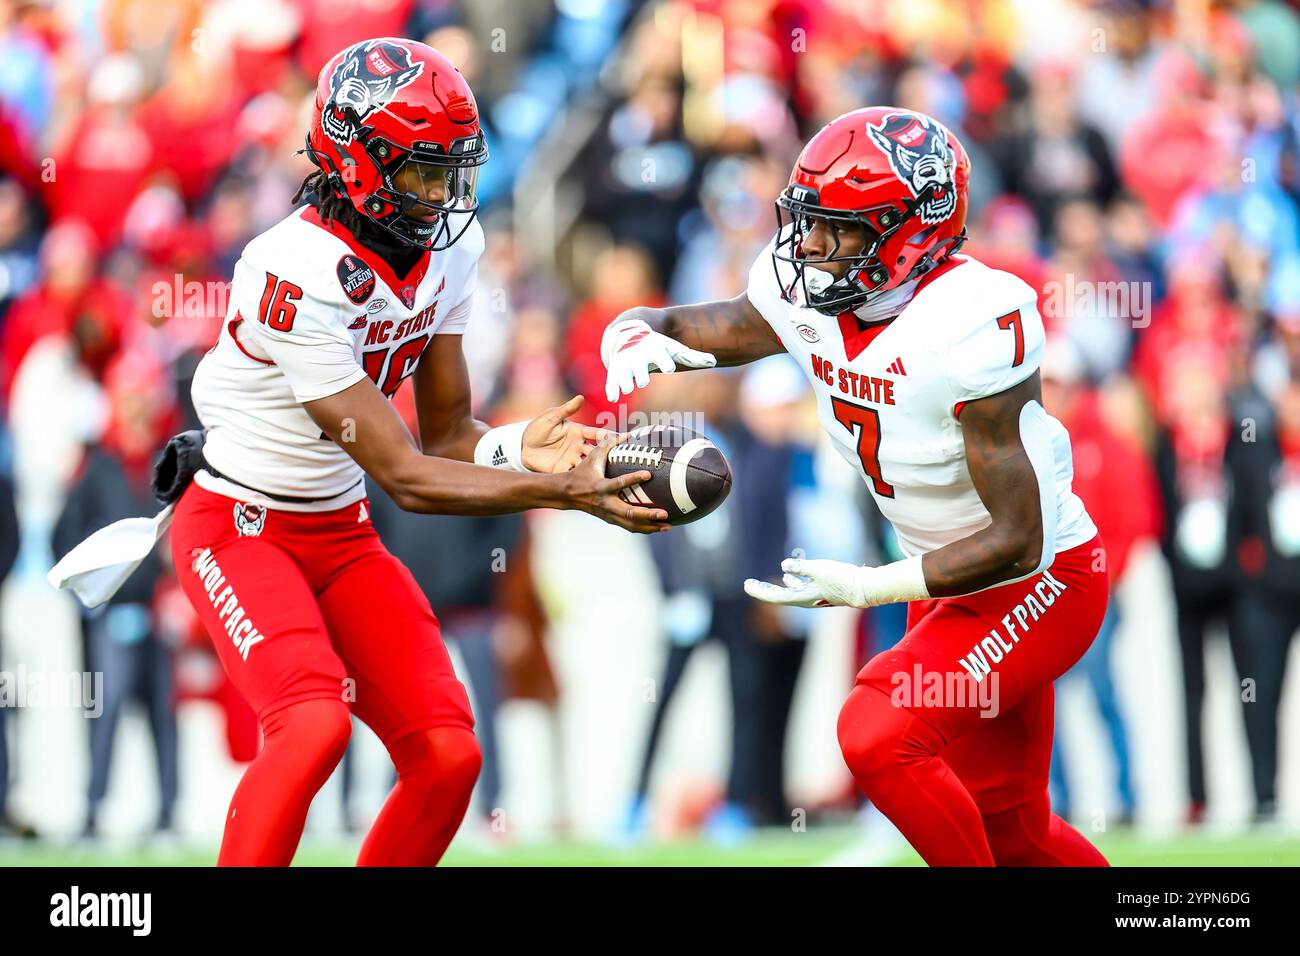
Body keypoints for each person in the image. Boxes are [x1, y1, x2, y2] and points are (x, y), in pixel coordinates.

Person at [166, 38, 668, 867]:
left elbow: (448, 435)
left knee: (447, 756)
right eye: (421, 171)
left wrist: (520, 447)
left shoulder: (450, 251)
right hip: (239, 524)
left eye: (451, 168)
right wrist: (565, 494)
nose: (442, 194)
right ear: (355, 161)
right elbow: (404, 473)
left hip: (339, 529)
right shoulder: (289, 269)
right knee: (311, 726)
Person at [602, 107, 1109, 866]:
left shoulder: (973, 320)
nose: (808, 247)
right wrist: (639, 329)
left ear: (910, 232)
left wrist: (874, 587)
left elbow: (1018, 539)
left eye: (836, 228)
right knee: (1013, 832)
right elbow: (723, 323)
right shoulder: (809, 287)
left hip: (1039, 580)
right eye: (808, 222)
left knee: (875, 732)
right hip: (949, 578)